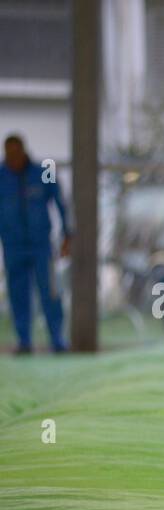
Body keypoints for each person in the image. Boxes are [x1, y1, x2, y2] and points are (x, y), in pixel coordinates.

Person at [0, 134, 71, 354]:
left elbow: (62, 202)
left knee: (50, 292)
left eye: (15, 152)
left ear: (23, 150)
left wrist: (68, 234)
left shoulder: (44, 172)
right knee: (18, 293)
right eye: (8, 153)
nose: (12, 157)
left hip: (42, 245)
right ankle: (24, 340)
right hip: (12, 246)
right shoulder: (1, 176)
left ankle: (57, 339)